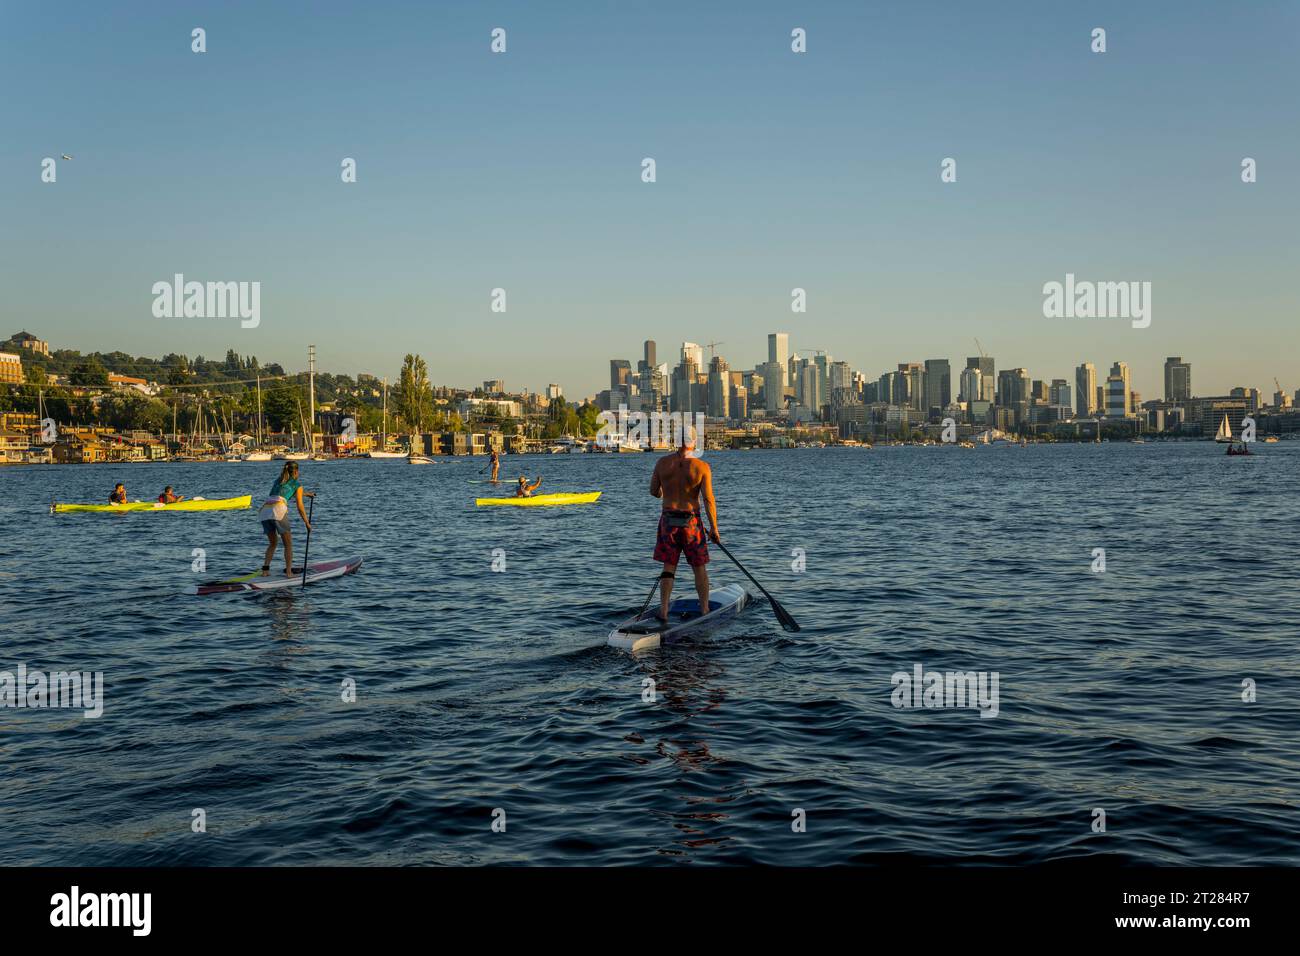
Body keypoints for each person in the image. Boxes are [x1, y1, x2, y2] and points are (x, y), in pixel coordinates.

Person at [649, 432, 720, 622]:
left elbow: (653, 491)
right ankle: (704, 610)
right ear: (694, 442)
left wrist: (669, 492)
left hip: (668, 521)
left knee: (668, 567)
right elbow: (708, 499)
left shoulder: (662, 463)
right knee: (699, 567)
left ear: (676, 441)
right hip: (691, 523)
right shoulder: (701, 467)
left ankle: (663, 610)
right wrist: (714, 528)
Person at [257, 461, 314, 576]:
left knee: (272, 543)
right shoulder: (297, 484)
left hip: (264, 511)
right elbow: (300, 507)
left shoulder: (278, 480)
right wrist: (307, 523)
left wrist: (305, 493)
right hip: (278, 511)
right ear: (296, 472)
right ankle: (289, 573)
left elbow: (282, 493)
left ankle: (265, 571)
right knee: (288, 545)